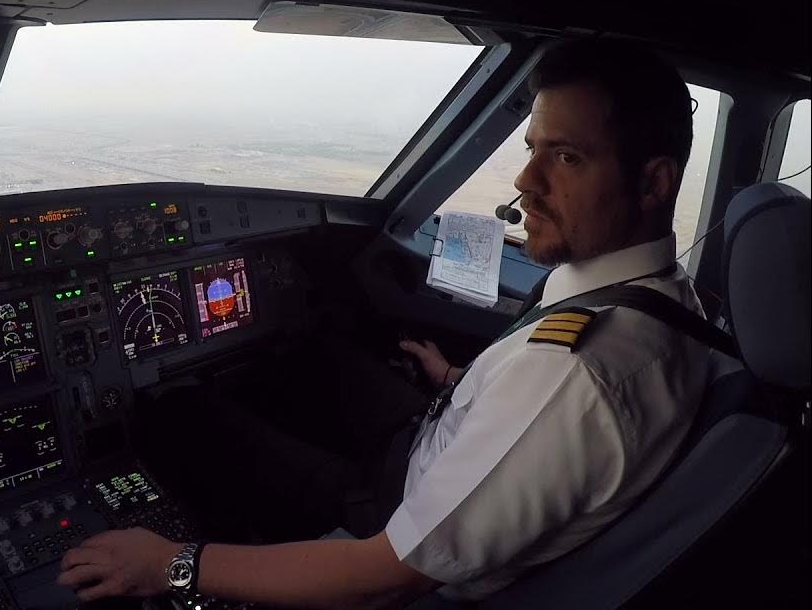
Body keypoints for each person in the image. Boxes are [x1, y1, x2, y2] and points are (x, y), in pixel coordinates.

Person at [58, 39, 711, 608]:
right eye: (533, 149)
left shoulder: (575, 377)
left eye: (566, 158)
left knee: (184, 412)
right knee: (313, 354)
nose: (524, 178)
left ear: (653, 183)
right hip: (440, 441)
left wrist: (169, 564)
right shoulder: (663, 295)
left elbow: (382, 579)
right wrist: (455, 379)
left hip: (387, 510)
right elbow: (528, 414)